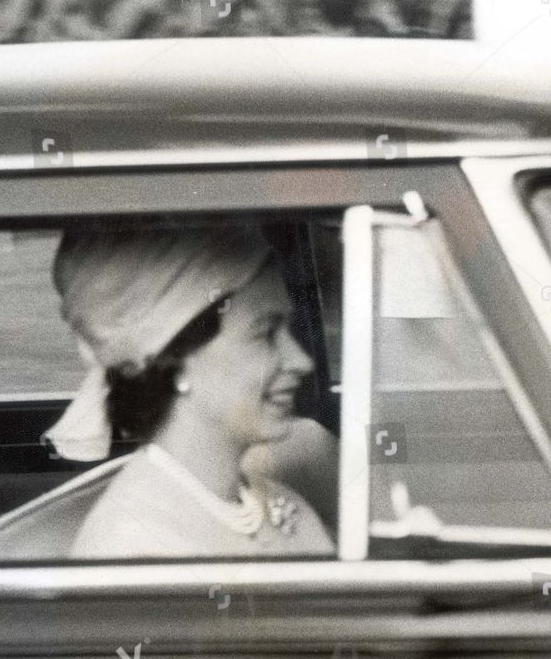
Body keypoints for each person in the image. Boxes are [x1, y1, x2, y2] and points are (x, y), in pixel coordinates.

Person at [45, 222, 334, 559]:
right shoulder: (132, 550)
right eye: (265, 333)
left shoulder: (277, 502)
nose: (301, 361)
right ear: (176, 358)